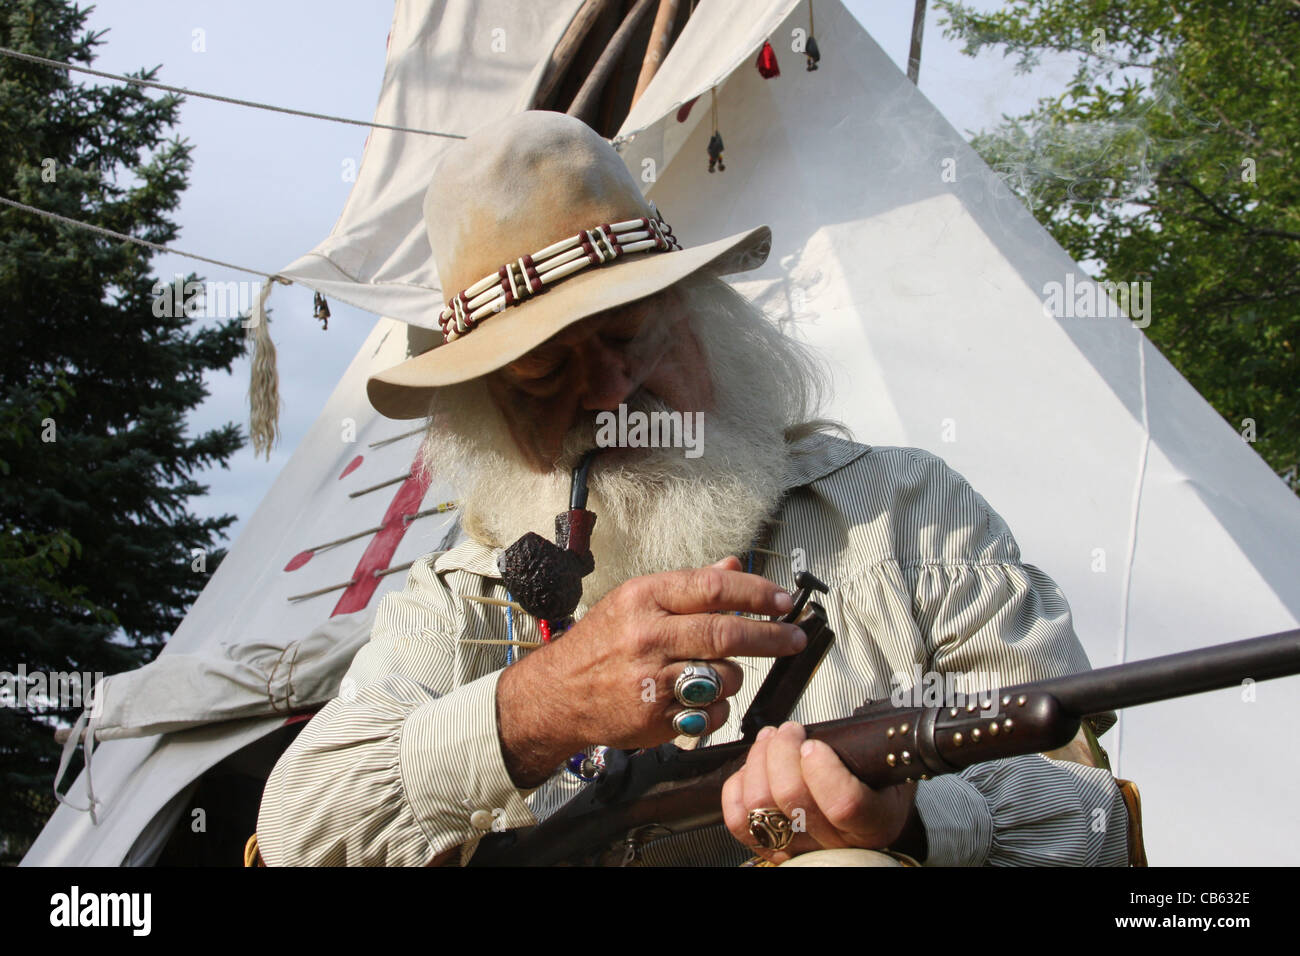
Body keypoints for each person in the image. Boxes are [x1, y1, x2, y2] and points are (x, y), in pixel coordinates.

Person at [256, 110, 1130, 867]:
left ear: (703, 322)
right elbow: (299, 829)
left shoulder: (903, 511)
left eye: (628, 336)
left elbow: (1088, 816)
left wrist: (918, 822)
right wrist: (536, 706)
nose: (604, 395)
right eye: (541, 374)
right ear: (491, 416)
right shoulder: (459, 605)